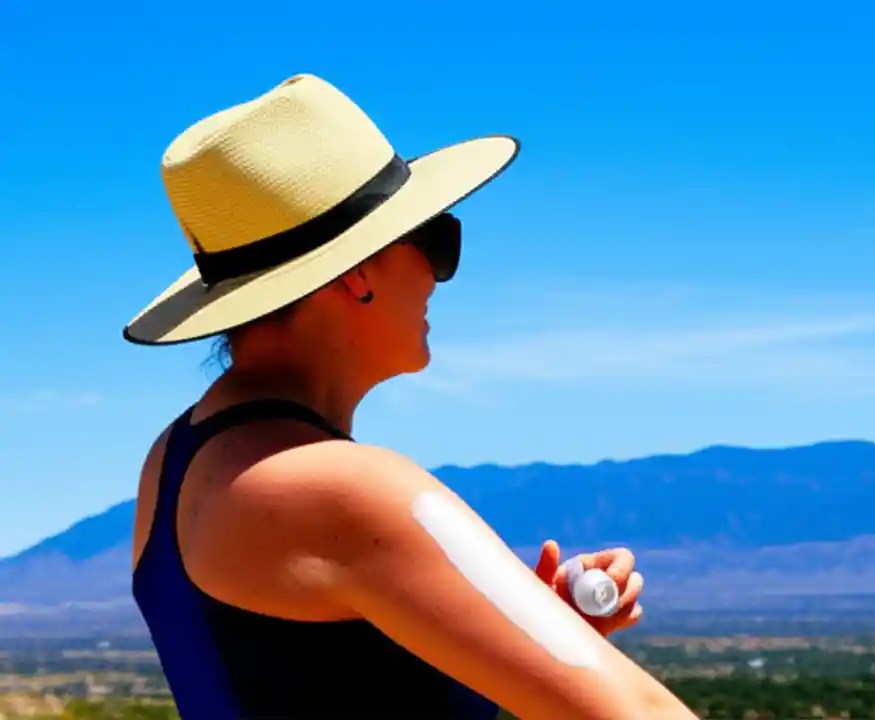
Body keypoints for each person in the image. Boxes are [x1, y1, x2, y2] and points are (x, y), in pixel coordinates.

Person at [123, 73, 699, 720]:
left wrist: (522, 645)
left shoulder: (172, 463)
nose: (436, 275)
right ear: (359, 274)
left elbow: (291, 680)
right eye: (433, 239)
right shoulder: (347, 488)